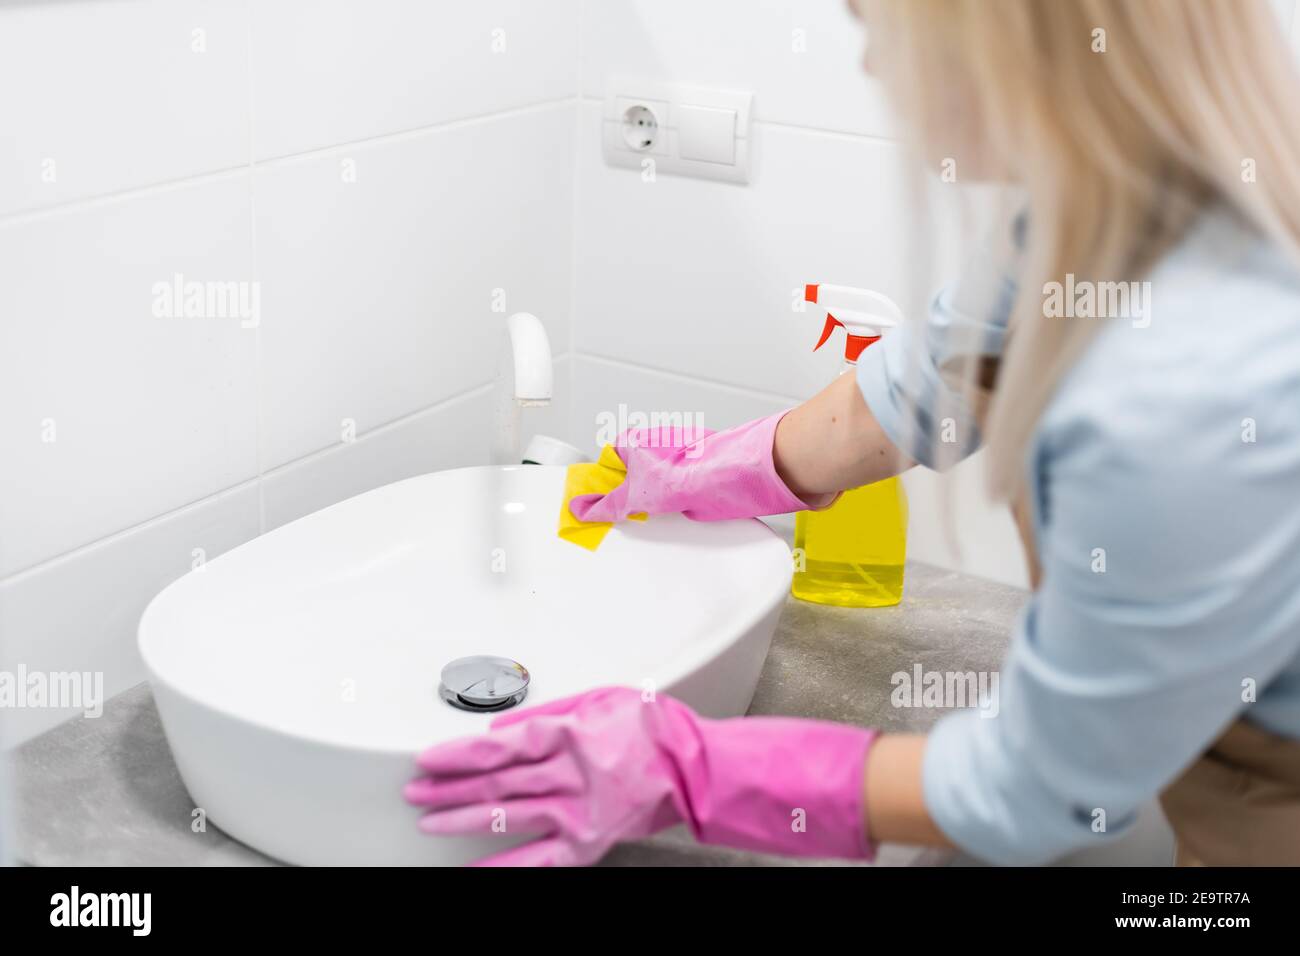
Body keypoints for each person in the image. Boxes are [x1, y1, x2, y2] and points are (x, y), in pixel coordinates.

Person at [404, 0, 1300, 866]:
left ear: (1001, 41)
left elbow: (1032, 788)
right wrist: (706, 472)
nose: (873, 69)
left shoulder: (1191, 383)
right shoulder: (1113, 215)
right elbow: (928, 383)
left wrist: (689, 771)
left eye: (881, 32)